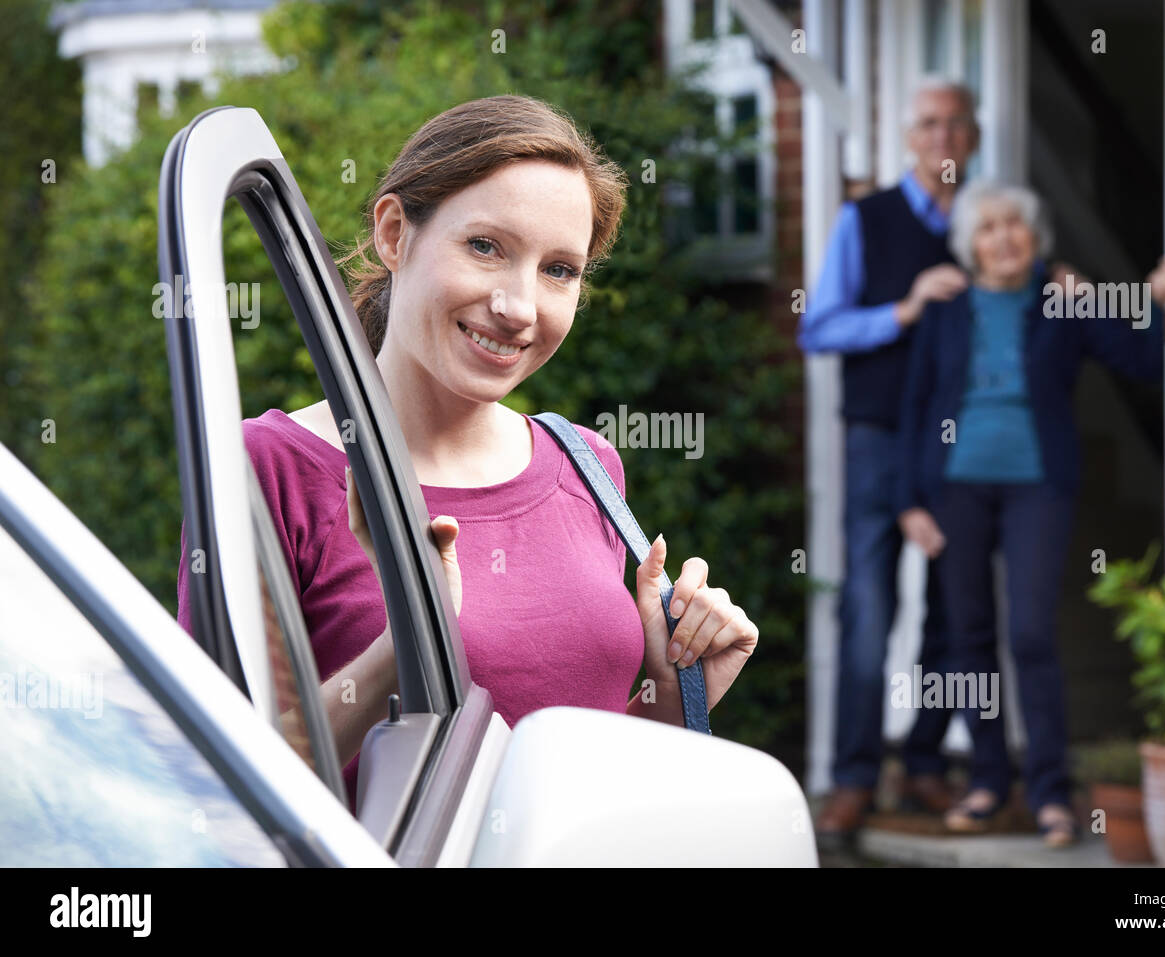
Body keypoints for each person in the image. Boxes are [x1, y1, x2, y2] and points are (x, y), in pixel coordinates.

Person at [177, 95, 759, 814]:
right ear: (395, 233)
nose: (519, 306)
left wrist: (675, 695)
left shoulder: (588, 464)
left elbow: (584, 791)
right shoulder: (269, 468)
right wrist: (403, 647)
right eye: (486, 247)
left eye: (559, 270)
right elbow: (212, 782)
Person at [895, 179, 1165, 846]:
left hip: (1038, 485)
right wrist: (909, 502)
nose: (1003, 239)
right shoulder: (947, 307)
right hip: (955, 486)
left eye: (1014, 226)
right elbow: (915, 408)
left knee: (1029, 632)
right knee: (968, 635)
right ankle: (989, 780)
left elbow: (1143, 360)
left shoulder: (1060, 299)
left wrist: (1140, 299)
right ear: (971, 243)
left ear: (1034, 235)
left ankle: (1051, 791)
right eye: (989, 228)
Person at [799, 79, 979, 836]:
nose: (941, 138)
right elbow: (819, 329)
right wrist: (904, 309)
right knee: (870, 606)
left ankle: (928, 766)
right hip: (876, 432)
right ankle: (854, 777)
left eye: (954, 126)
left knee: (952, 603)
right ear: (911, 137)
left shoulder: (984, 224)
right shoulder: (864, 219)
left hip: (962, 438)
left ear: (972, 137)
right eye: (928, 125)